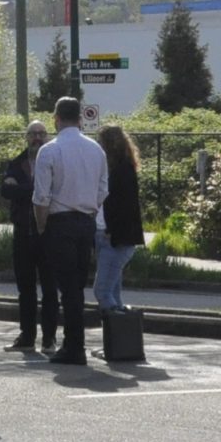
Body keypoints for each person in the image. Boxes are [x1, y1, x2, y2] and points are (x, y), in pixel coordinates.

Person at [32, 96, 109, 367]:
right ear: (80, 118)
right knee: (76, 285)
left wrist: (42, 226)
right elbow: (102, 190)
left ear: (56, 118)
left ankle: (73, 345)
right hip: (86, 221)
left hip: (60, 221)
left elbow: (41, 196)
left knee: (66, 288)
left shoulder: (50, 151)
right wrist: (89, 209)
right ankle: (74, 342)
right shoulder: (96, 150)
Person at [0, 121, 52, 354]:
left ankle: (49, 339)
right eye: (33, 134)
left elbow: (55, 190)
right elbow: (5, 190)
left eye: (41, 134)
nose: (37, 138)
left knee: (50, 288)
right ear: (26, 137)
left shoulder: (54, 160)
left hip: (48, 233)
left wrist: (22, 188)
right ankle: (27, 336)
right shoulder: (16, 162)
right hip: (22, 232)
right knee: (25, 289)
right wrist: (34, 189)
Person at [93, 122, 145, 314]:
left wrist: (110, 231)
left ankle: (117, 329)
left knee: (102, 291)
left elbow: (122, 206)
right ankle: (118, 331)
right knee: (113, 289)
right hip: (107, 234)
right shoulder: (122, 168)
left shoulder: (120, 171)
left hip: (114, 238)